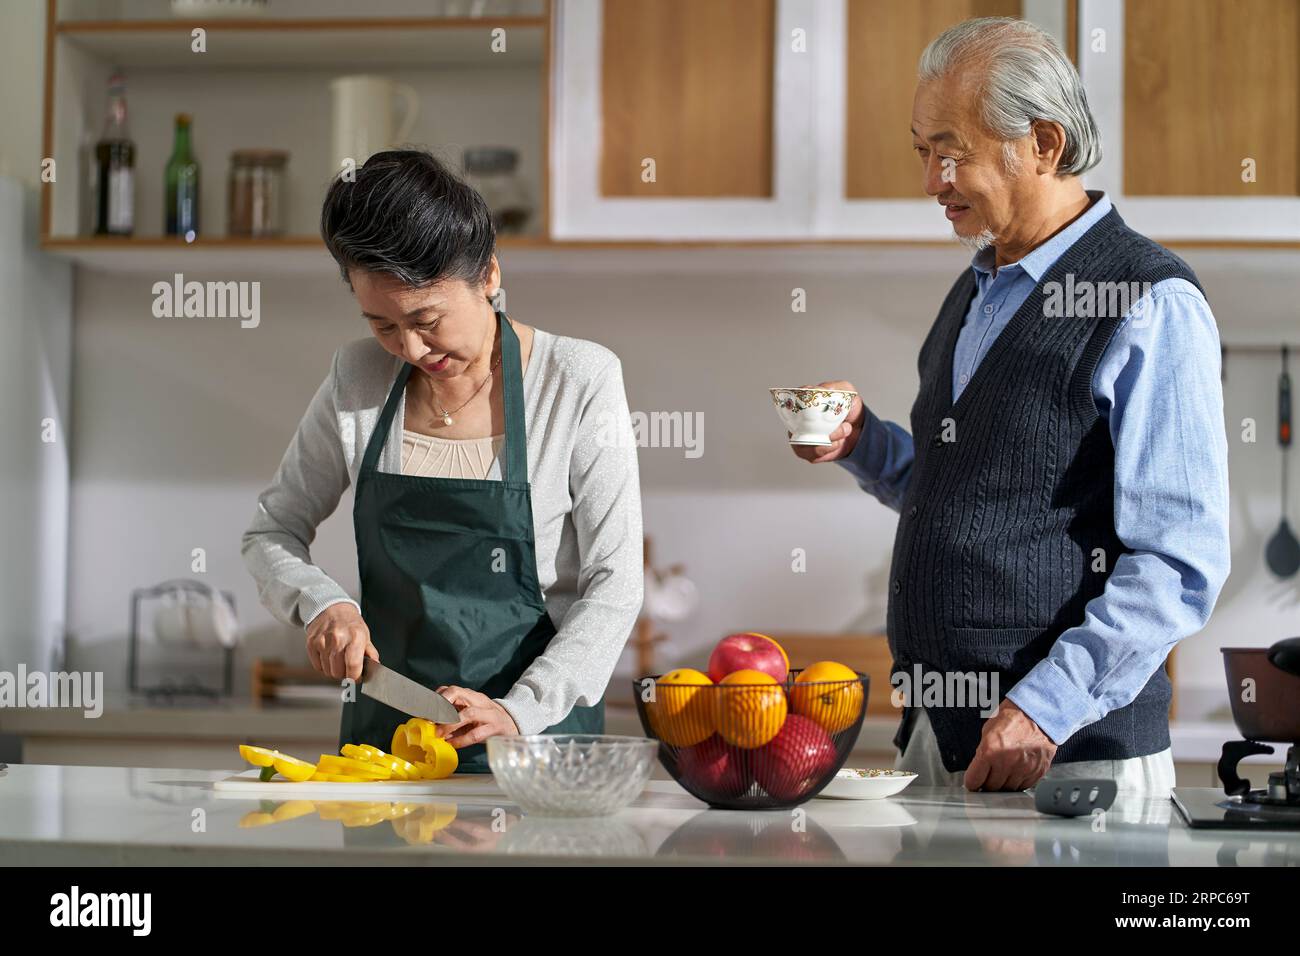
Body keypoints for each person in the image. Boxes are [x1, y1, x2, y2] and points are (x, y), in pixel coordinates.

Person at [795, 19, 1230, 796]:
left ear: (1043, 145)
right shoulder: (978, 287)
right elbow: (963, 485)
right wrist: (864, 443)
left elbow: (1179, 559)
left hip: (1068, 754)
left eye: (949, 151)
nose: (932, 179)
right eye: (922, 153)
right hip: (937, 738)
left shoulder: (1148, 300)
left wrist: (1045, 708)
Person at [241, 150, 644, 771]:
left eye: (427, 320)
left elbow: (615, 582)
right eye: (382, 325)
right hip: (386, 752)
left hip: (535, 753)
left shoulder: (579, 379)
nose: (410, 348)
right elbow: (272, 530)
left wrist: (520, 710)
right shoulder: (358, 378)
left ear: (487, 275)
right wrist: (322, 603)